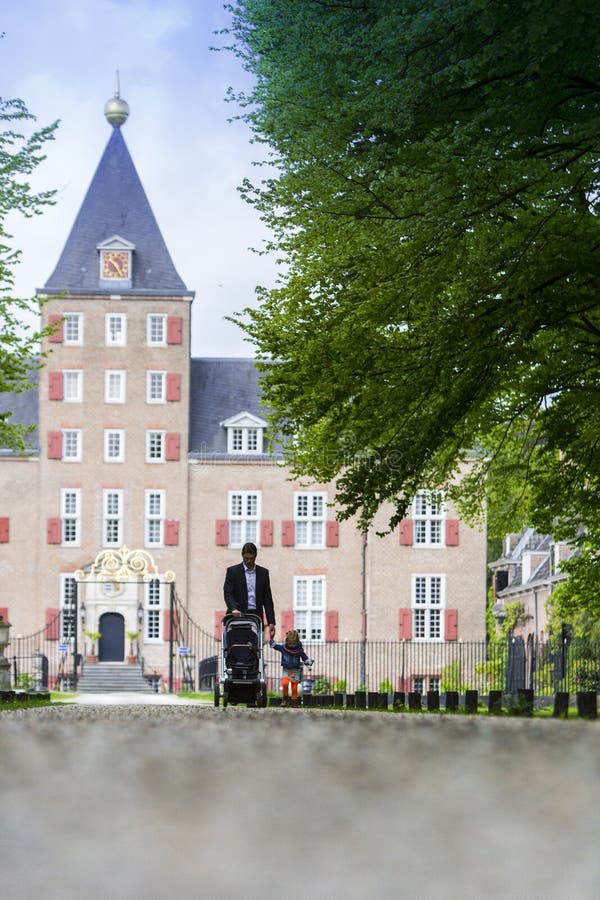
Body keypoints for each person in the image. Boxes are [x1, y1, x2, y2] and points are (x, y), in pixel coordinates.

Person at [223, 542, 276, 639]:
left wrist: (271, 622)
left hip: (256, 616)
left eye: (251, 558)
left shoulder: (263, 573)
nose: (249, 561)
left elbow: (267, 599)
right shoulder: (233, 571)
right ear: (242, 555)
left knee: (255, 647)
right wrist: (233, 608)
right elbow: (228, 593)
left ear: (256, 556)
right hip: (237, 616)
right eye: (246, 558)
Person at [270, 629, 312, 707]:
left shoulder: (299, 650)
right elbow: (275, 646)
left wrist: (308, 661)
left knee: (294, 686)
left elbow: (304, 657)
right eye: (290, 643)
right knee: (285, 684)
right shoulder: (283, 648)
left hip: (295, 670)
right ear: (287, 641)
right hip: (286, 670)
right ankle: (285, 698)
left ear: (297, 642)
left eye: (293, 644)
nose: (292, 645)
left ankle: (294, 701)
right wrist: (271, 638)